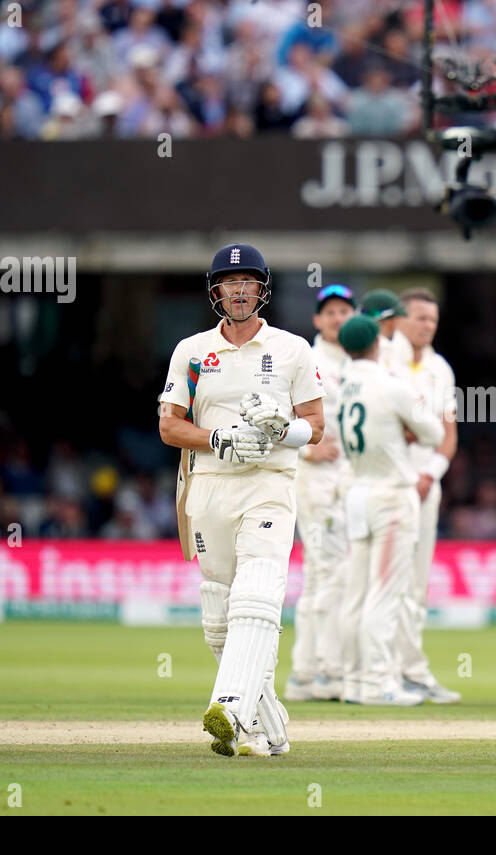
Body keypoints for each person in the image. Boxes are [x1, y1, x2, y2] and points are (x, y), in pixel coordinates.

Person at [158, 243, 325, 757]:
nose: (239, 291)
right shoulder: (192, 351)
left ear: (262, 289)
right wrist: (215, 439)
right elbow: (168, 425)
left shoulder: (294, 349)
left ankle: (228, 708)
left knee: (257, 595)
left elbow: (316, 428)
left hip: (269, 483)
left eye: (248, 282)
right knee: (219, 617)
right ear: (216, 292)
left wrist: (282, 430)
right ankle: (268, 727)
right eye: (230, 284)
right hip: (210, 484)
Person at [334, 316, 446, 705]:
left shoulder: (342, 386)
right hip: (391, 495)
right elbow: (435, 433)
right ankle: (379, 682)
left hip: (358, 491)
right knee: (384, 593)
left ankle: (351, 680)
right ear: (377, 345)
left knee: (356, 593)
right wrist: (406, 429)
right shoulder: (390, 384)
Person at [390, 287, 462, 703]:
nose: (426, 326)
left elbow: (447, 435)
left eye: (432, 320)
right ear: (400, 319)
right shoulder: (382, 359)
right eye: (419, 317)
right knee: (381, 581)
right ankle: (373, 672)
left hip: (424, 484)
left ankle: (412, 671)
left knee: (417, 582)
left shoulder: (440, 369)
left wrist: (430, 473)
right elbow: (386, 429)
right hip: (387, 482)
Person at [284, 284, 355, 702]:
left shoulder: (361, 362)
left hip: (349, 479)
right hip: (314, 479)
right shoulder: (305, 359)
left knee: (326, 575)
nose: (337, 318)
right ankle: (323, 671)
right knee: (328, 573)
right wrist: (308, 452)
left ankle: (307, 672)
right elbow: (278, 416)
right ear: (317, 320)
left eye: (345, 311)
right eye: (330, 312)